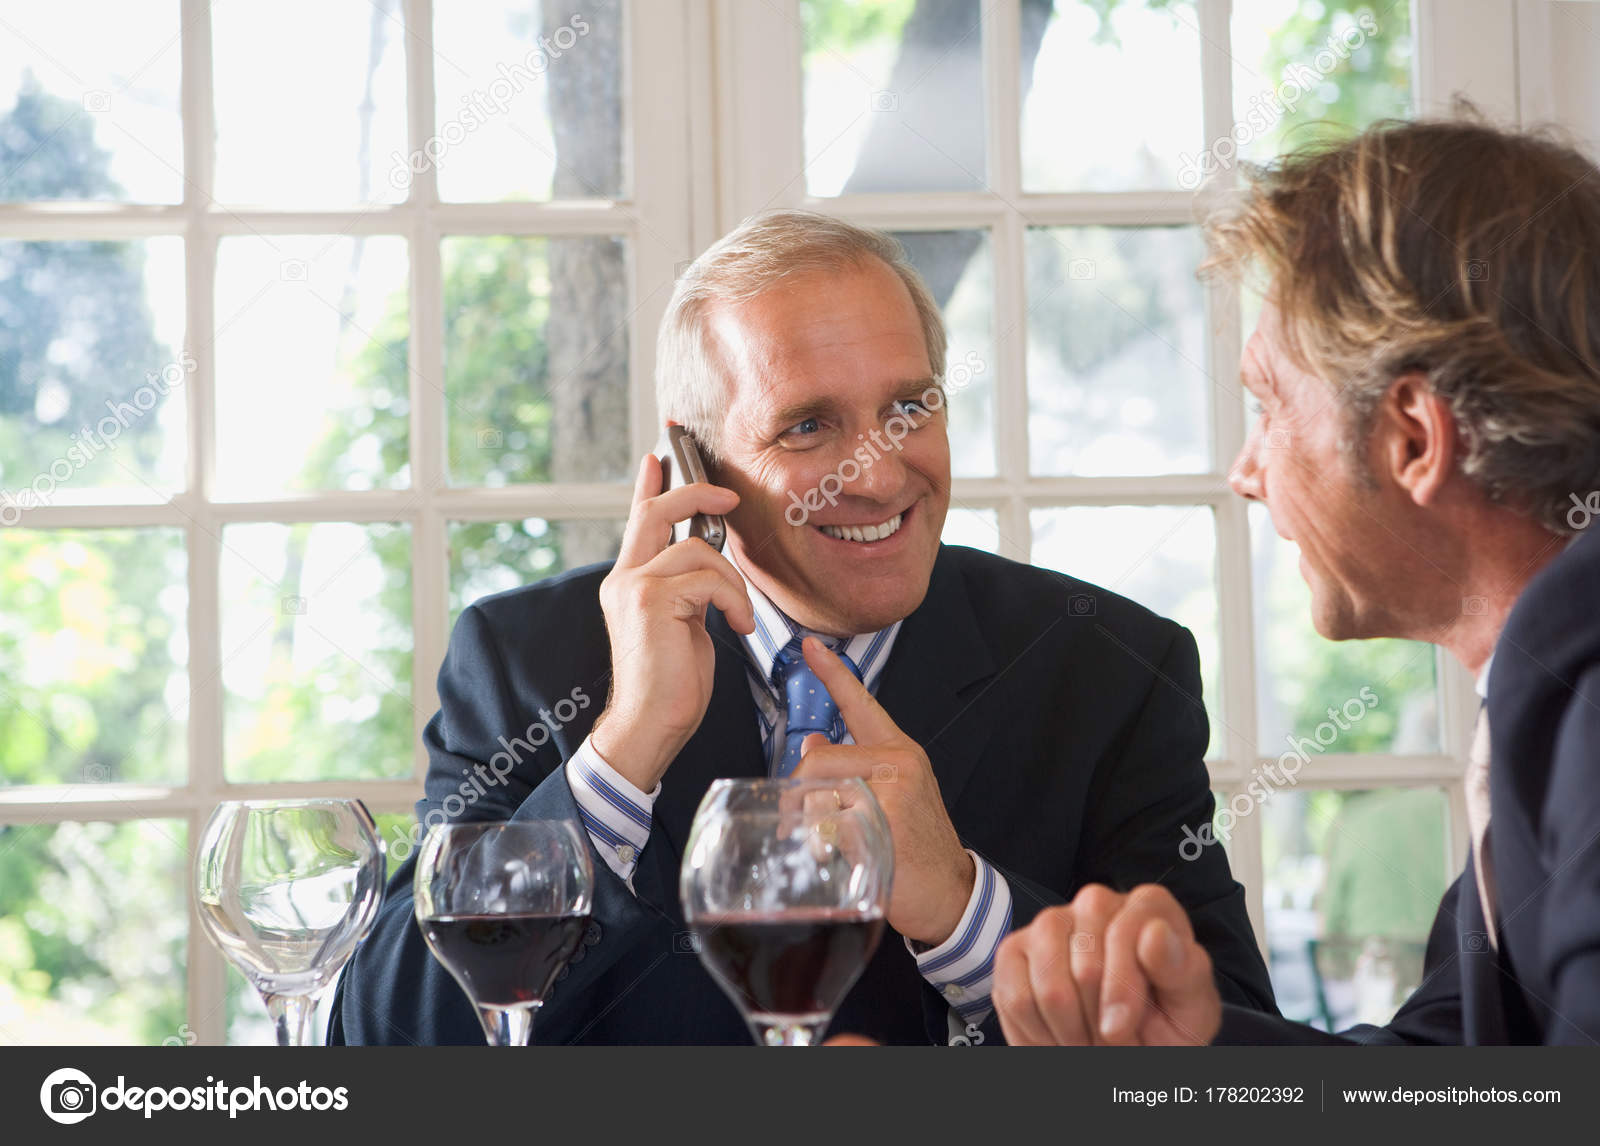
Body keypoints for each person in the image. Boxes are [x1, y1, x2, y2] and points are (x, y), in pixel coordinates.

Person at [329, 209, 1274, 1045]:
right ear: (696, 462)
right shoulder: (527, 660)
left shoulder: (1109, 671)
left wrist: (961, 907)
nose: (874, 474)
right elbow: (386, 1040)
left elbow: (1237, 1063)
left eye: (909, 408)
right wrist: (621, 755)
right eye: (808, 427)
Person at [989, 117, 1600, 1046]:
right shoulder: (1549, 699)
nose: (1246, 470)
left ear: (1414, 440)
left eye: (1270, 403)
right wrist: (1185, 1054)